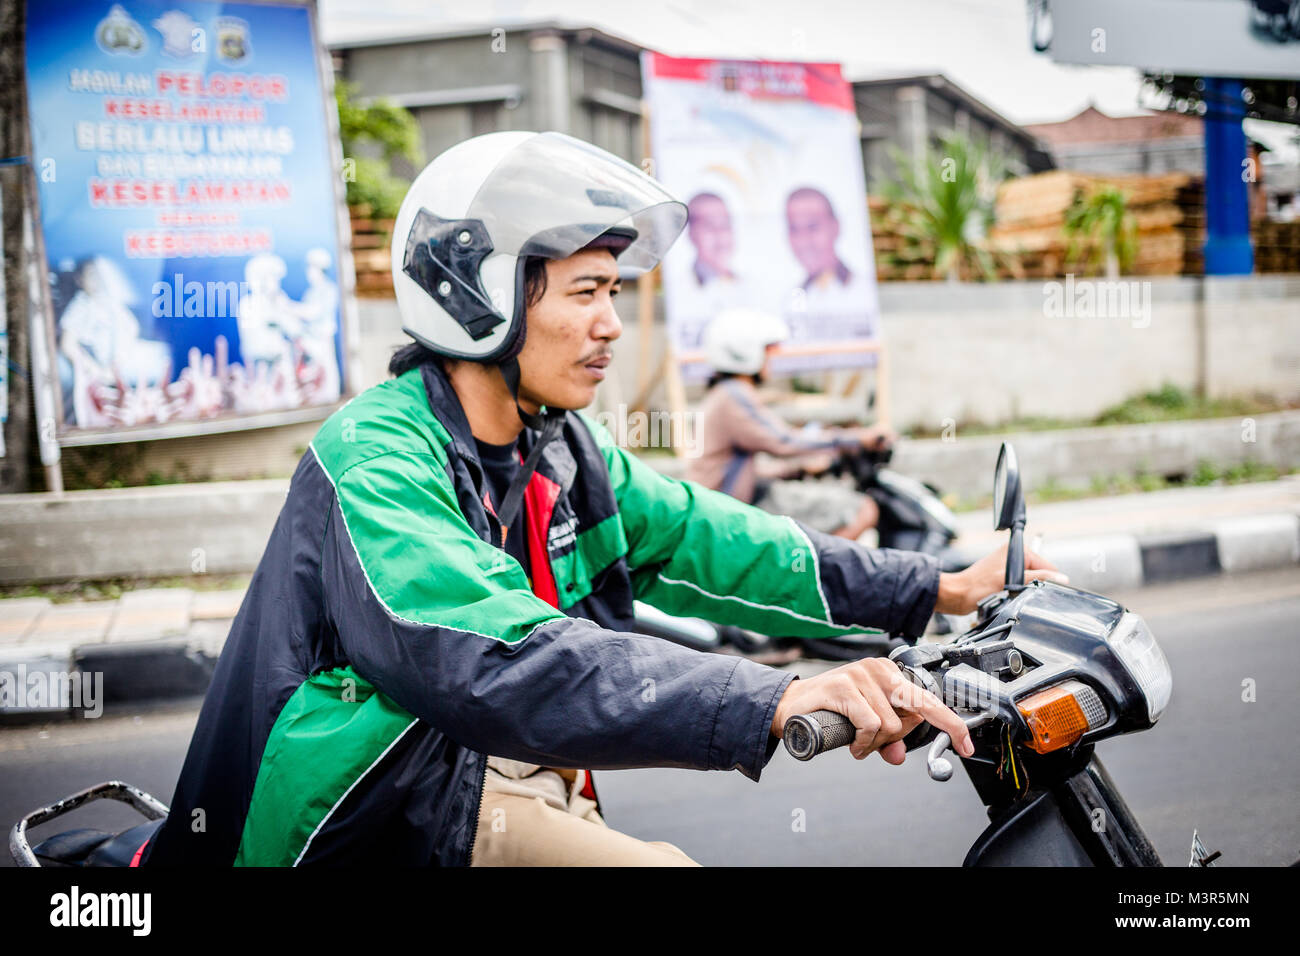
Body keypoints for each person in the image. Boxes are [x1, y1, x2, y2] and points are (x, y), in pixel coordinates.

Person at [142, 131, 1065, 868]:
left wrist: (937, 586)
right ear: (479, 299)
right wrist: (775, 698)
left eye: (614, 290)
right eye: (585, 291)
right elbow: (497, 658)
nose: (611, 323)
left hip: (497, 767)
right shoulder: (378, 455)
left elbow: (711, 536)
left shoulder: (558, 448)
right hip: (382, 801)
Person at [688, 307, 891, 540]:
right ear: (745, 352)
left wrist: (798, 469)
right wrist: (857, 438)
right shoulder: (735, 396)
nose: (770, 361)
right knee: (862, 509)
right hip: (730, 511)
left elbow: (740, 465)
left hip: (728, 502)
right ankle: (814, 574)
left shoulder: (723, 395)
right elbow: (784, 442)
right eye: (767, 352)